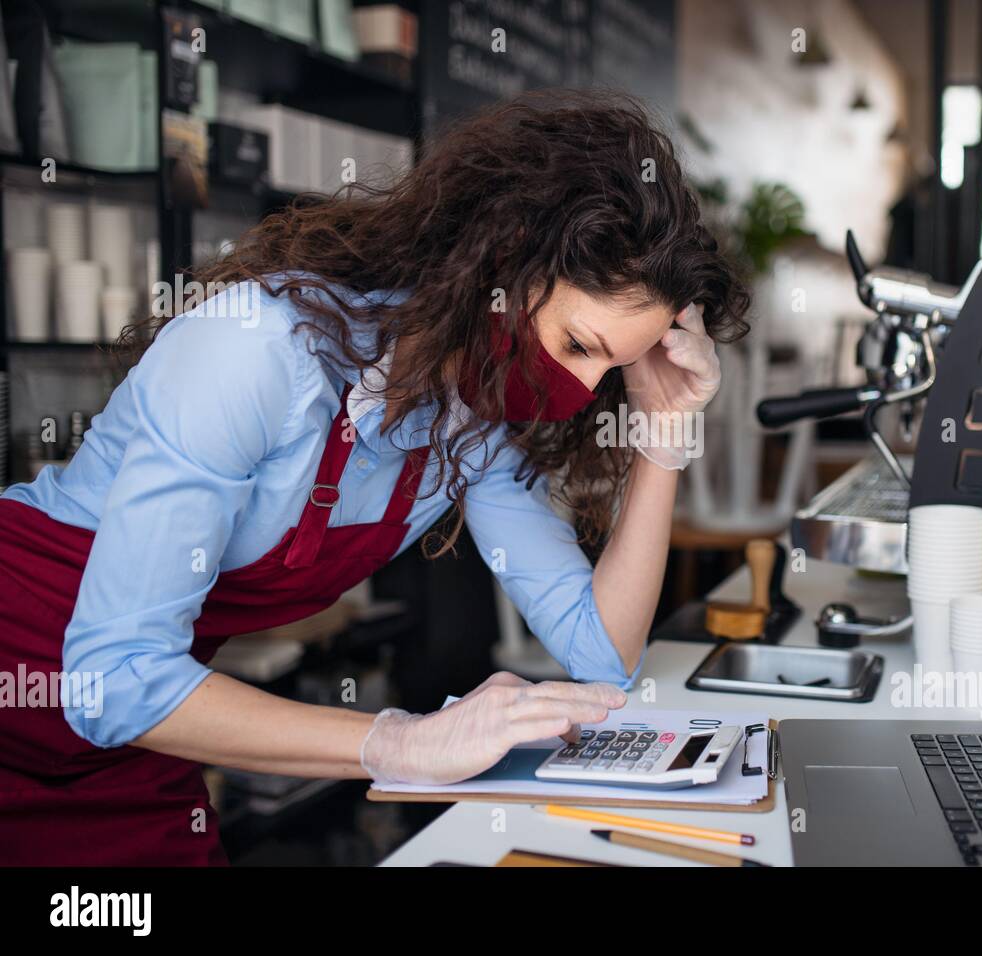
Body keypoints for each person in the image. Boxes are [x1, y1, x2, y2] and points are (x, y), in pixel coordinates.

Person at [0, 91, 750, 864]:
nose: (586, 394)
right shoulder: (253, 353)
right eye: (579, 345)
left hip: (145, 723)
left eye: (612, 370)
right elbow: (115, 677)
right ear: (507, 254)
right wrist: (403, 743)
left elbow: (604, 655)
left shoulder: (473, 425)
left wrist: (663, 433)